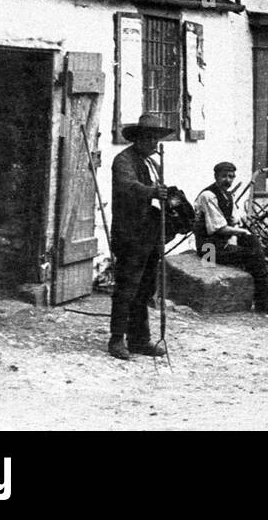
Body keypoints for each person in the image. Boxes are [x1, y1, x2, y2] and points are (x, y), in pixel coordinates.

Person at [108, 113, 179, 361]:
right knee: (127, 288)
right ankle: (116, 339)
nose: (154, 143)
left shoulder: (152, 163)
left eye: (157, 139)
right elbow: (127, 187)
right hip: (129, 235)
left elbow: (158, 196)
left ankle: (139, 340)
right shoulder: (123, 161)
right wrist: (152, 192)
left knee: (145, 288)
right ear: (138, 138)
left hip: (148, 235)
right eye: (149, 138)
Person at [194, 162, 268, 315]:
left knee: (252, 241)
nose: (228, 180)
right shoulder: (208, 196)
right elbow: (219, 228)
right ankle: (263, 297)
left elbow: (235, 220)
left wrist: (245, 230)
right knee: (253, 252)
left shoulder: (228, 195)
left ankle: (264, 287)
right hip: (208, 249)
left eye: (231, 177)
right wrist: (241, 232)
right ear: (216, 177)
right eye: (224, 177)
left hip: (222, 243)